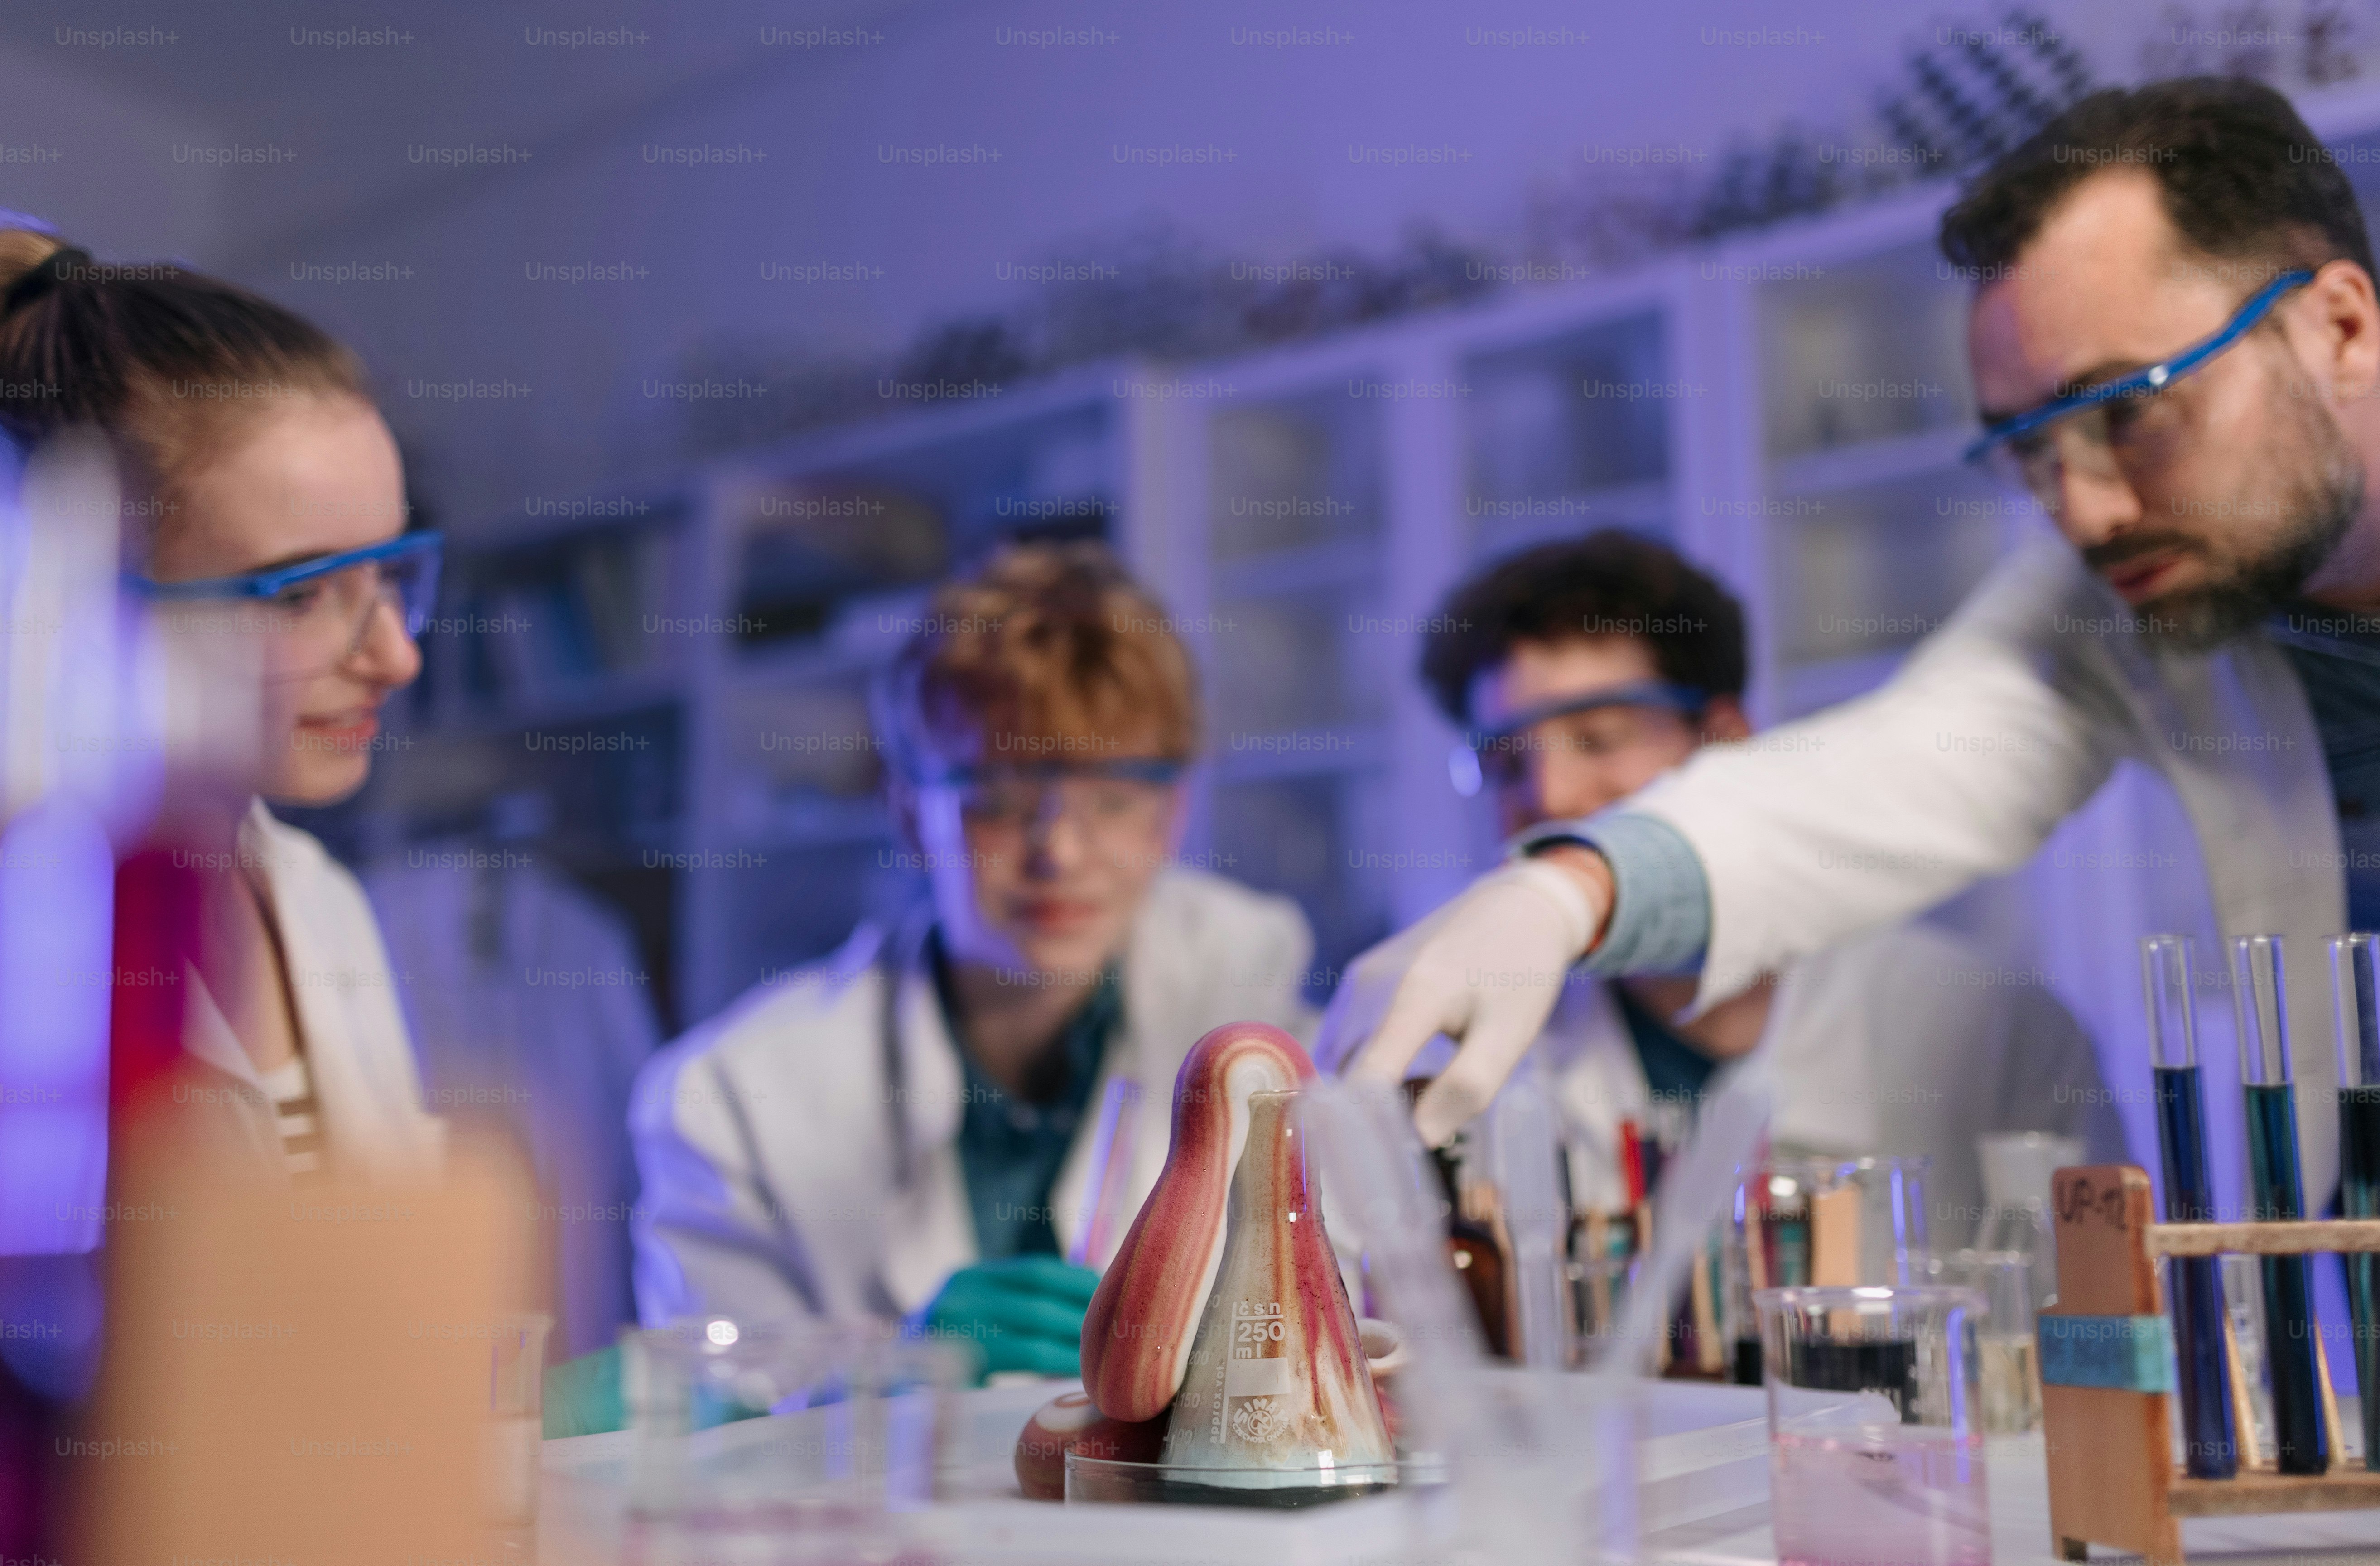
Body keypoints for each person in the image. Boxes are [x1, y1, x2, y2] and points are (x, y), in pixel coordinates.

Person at [1320, 76, 2380, 1203]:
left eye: (2125, 409)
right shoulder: (2112, 598)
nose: (2081, 512)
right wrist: (1564, 893)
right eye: (2027, 453)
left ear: (2338, 327)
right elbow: (1881, 774)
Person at [631, 543, 1313, 1382]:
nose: (1059, 852)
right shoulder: (732, 1100)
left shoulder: (1250, 1000)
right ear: (912, 812)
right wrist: (889, 1372)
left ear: (1168, 816)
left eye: (1111, 800)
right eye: (1000, 800)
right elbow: (709, 1421)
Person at [1416, 530, 2122, 1226]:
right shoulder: (1484, 1062)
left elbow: (2103, 1317)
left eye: (1599, 739)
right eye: (1508, 764)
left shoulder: (1996, 1028)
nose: (1552, 796)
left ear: (1724, 738)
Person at [0, 226, 442, 1186]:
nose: (398, 655)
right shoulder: (34, 936)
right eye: (297, 592)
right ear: (84, 607)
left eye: (393, 571)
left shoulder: (322, 899)